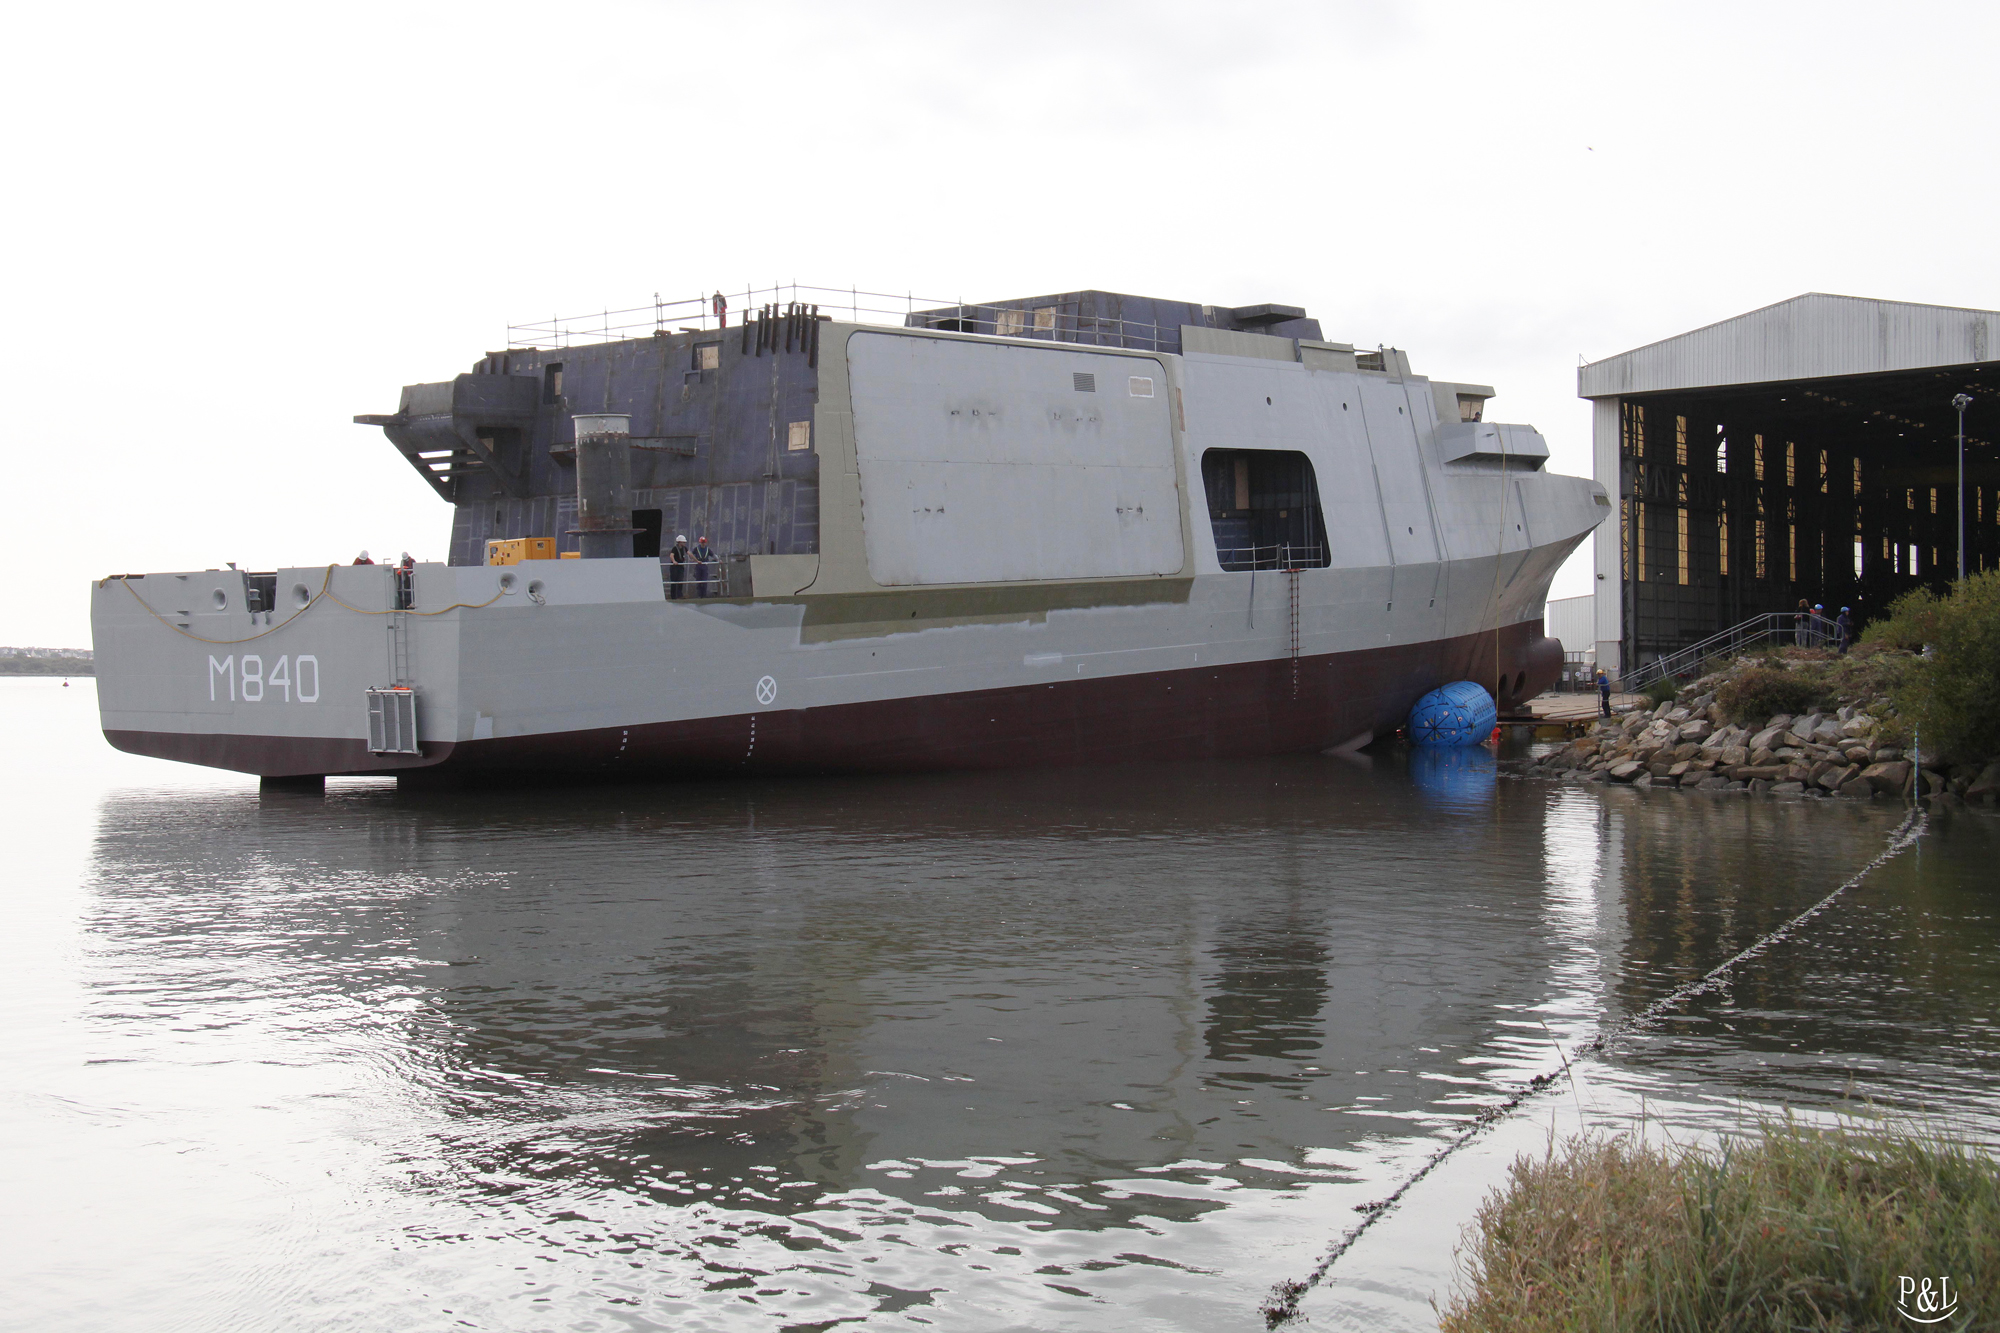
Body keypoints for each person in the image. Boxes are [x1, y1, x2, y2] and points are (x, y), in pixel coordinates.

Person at [666, 534, 690, 599]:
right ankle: (673, 596)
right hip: (674, 567)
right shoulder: (675, 548)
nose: (684, 543)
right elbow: (671, 555)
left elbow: (689, 553)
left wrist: (696, 560)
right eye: (683, 542)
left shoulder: (684, 548)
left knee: (680, 580)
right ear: (680, 542)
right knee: (674, 581)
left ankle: (680, 595)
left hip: (681, 566)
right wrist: (674, 561)